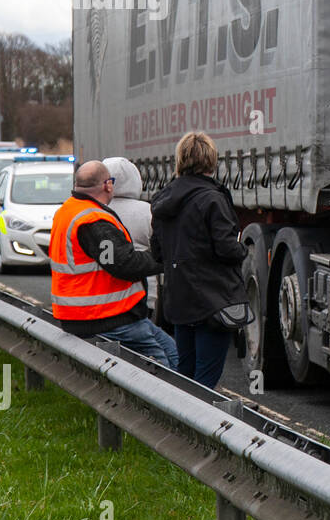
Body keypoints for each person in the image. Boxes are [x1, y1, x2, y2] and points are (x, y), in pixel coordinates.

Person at [49, 160, 178, 368]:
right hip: (107, 318)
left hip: (88, 315)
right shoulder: (93, 221)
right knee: (164, 369)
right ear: (108, 185)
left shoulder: (69, 210)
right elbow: (123, 264)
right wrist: (166, 257)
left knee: (173, 353)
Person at [150, 131, 248, 388]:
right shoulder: (213, 199)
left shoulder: (164, 201)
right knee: (206, 379)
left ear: (180, 159)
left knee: (186, 373)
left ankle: (177, 423)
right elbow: (227, 249)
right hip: (213, 301)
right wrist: (242, 250)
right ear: (212, 160)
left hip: (180, 300)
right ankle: (191, 427)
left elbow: (157, 252)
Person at [103, 156, 159, 318]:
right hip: (144, 292)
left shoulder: (97, 211)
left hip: (105, 294)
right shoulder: (147, 211)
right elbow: (158, 250)